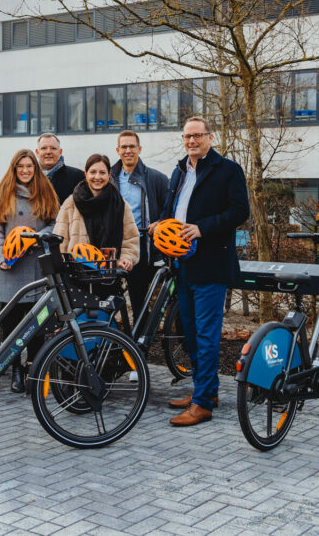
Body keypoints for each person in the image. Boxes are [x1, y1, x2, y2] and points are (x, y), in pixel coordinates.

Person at [152, 117, 249, 427]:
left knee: (206, 335)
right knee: (191, 334)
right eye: (187, 137)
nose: (191, 141)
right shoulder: (179, 171)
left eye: (197, 135)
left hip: (211, 264)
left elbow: (240, 211)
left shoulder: (228, 170)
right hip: (182, 264)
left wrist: (202, 228)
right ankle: (205, 391)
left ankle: (203, 404)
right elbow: (171, 209)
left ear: (210, 137)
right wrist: (160, 224)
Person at [0, 149, 61, 392]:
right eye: (21, 166)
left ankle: (33, 367)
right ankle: (15, 370)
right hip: (11, 266)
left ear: (35, 168)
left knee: (37, 322)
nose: (25, 170)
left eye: (29, 166)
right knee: (12, 325)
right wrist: (1, 257)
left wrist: (38, 237)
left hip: (36, 265)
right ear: (14, 169)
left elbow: (54, 223)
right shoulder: (4, 193)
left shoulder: (46, 191)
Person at [110, 129, 169, 323]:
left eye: (132, 146)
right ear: (118, 150)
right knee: (108, 297)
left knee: (138, 298)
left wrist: (159, 222)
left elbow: (169, 209)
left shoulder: (156, 178)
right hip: (112, 246)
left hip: (141, 245)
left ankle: (138, 338)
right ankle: (109, 335)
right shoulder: (108, 178)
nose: (128, 151)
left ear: (139, 149)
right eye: (124, 147)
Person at [54, 154, 139, 272]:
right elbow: (60, 240)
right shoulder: (71, 203)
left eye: (102, 172)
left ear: (109, 174)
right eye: (93, 172)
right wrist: (64, 266)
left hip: (110, 272)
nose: (97, 177)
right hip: (78, 273)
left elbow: (131, 239)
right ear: (86, 174)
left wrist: (126, 258)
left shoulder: (120, 204)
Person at [37, 133, 84, 203]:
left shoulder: (78, 177)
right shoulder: (29, 178)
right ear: (37, 152)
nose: (48, 152)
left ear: (60, 152)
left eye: (53, 148)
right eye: (44, 148)